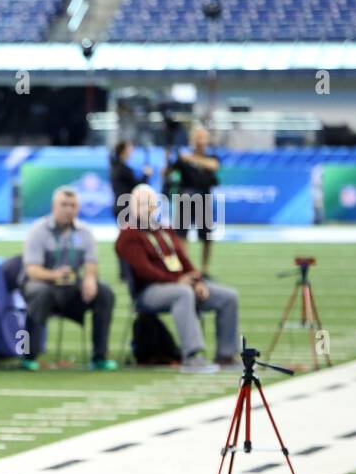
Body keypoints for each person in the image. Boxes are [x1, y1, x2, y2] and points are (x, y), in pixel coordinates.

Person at [115, 184, 238, 374]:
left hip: (180, 284)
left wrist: (198, 282)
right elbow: (144, 270)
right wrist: (177, 281)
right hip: (148, 291)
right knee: (183, 293)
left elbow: (184, 260)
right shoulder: (128, 235)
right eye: (139, 203)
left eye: (148, 203)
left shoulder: (165, 230)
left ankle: (226, 355)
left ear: (155, 206)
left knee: (228, 297)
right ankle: (192, 356)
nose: (145, 208)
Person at [19, 187, 116, 371]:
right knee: (41, 292)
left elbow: (91, 263)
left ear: (78, 208)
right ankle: (28, 355)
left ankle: (100, 356)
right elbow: (32, 270)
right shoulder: (38, 231)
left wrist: (89, 279)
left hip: (71, 288)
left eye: (72, 205)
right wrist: (54, 275)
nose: (68, 209)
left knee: (104, 292)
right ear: (53, 206)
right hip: (43, 285)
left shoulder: (84, 232)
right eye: (63, 204)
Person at [163, 125, 220, 274]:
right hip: (185, 200)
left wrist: (192, 159)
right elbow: (168, 173)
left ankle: (204, 270)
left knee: (207, 237)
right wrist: (167, 160)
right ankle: (186, 268)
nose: (200, 141)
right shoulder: (182, 159)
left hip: (204, 200)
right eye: (197, 137)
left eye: (202, 137)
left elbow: (214, 166)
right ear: (192, 140)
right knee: (182, 235)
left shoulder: (210, 157)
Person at [109, 140, 152, 223]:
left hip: (120, 206)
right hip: (125, 207)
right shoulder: (123, 170)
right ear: (123, 151)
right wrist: (146, 175)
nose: (132, 152)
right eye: (129, 149)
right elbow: (138, 187)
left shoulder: (115, 167)